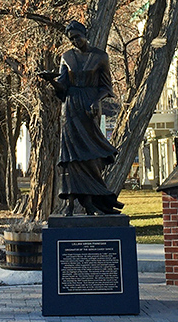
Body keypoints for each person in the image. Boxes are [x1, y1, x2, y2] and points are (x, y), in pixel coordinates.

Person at [38, 21, 120, 215]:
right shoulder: (66, 57)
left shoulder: (100, 56)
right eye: (71, 39)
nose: (75, 41)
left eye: (77, 36)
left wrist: (97, 101)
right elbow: (63, 87)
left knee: (90, 155)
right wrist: (51, 81)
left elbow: (106, 87)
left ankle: (92, 200)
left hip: (90, 107)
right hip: (71, 107)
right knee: (71, 157)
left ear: (85, 33)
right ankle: (71, 203)